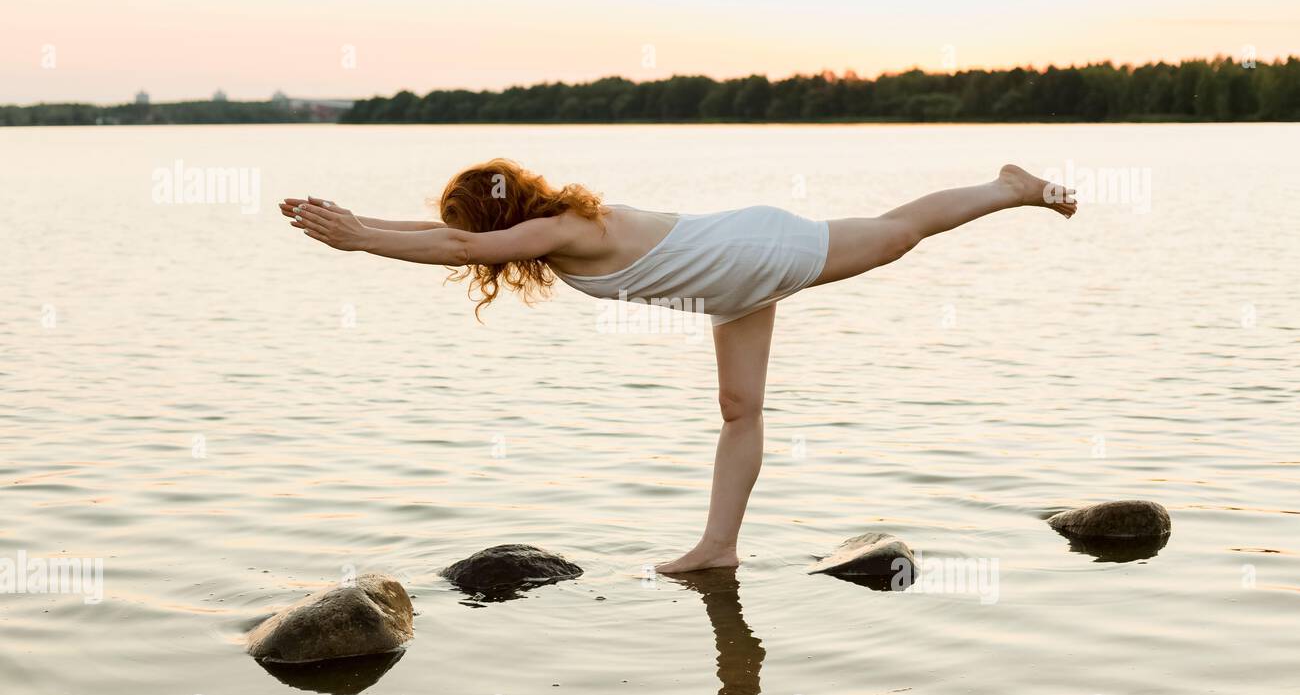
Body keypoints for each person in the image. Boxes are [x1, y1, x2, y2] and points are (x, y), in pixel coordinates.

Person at [281, 159, 1076, 573]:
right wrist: (357, 222)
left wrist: (359, 242)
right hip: (728, 284)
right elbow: (447, 234)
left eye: (471, 222)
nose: (463, 235)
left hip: (750, 251)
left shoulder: (560, 231)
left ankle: (1009, 188)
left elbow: (455, 247)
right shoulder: (549, 223)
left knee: (896, 232)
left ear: (499, 218)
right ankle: (718, 546)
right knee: (741, 409)